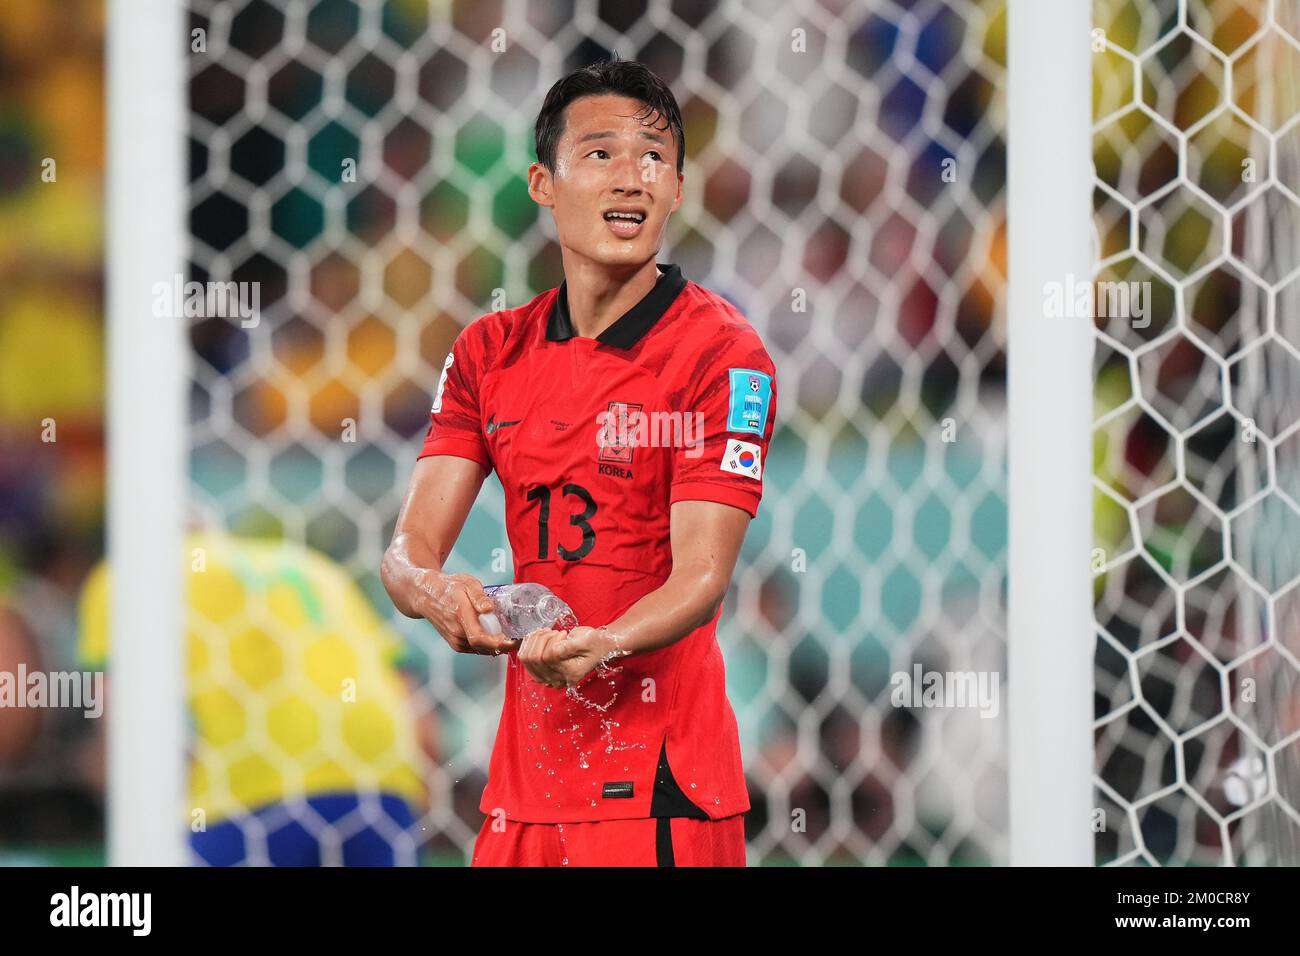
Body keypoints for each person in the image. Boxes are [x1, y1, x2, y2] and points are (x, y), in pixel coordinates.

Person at [382, 57, 778, 866]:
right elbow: (405, 553)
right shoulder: (488, 352)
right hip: (522, 795)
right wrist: (433, 594)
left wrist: (605, 641)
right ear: (542, 182)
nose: (631, 178)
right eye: (601, 154)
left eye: (654, 158)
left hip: (659, 790)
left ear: (677, 189)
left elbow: (702, 580)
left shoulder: (724, 356)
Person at [79, 531, 434, 865]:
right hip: (382, 780)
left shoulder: (127, 574)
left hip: (246, 790)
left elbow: (127, 720)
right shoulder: (313, 565)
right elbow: (411, 702)